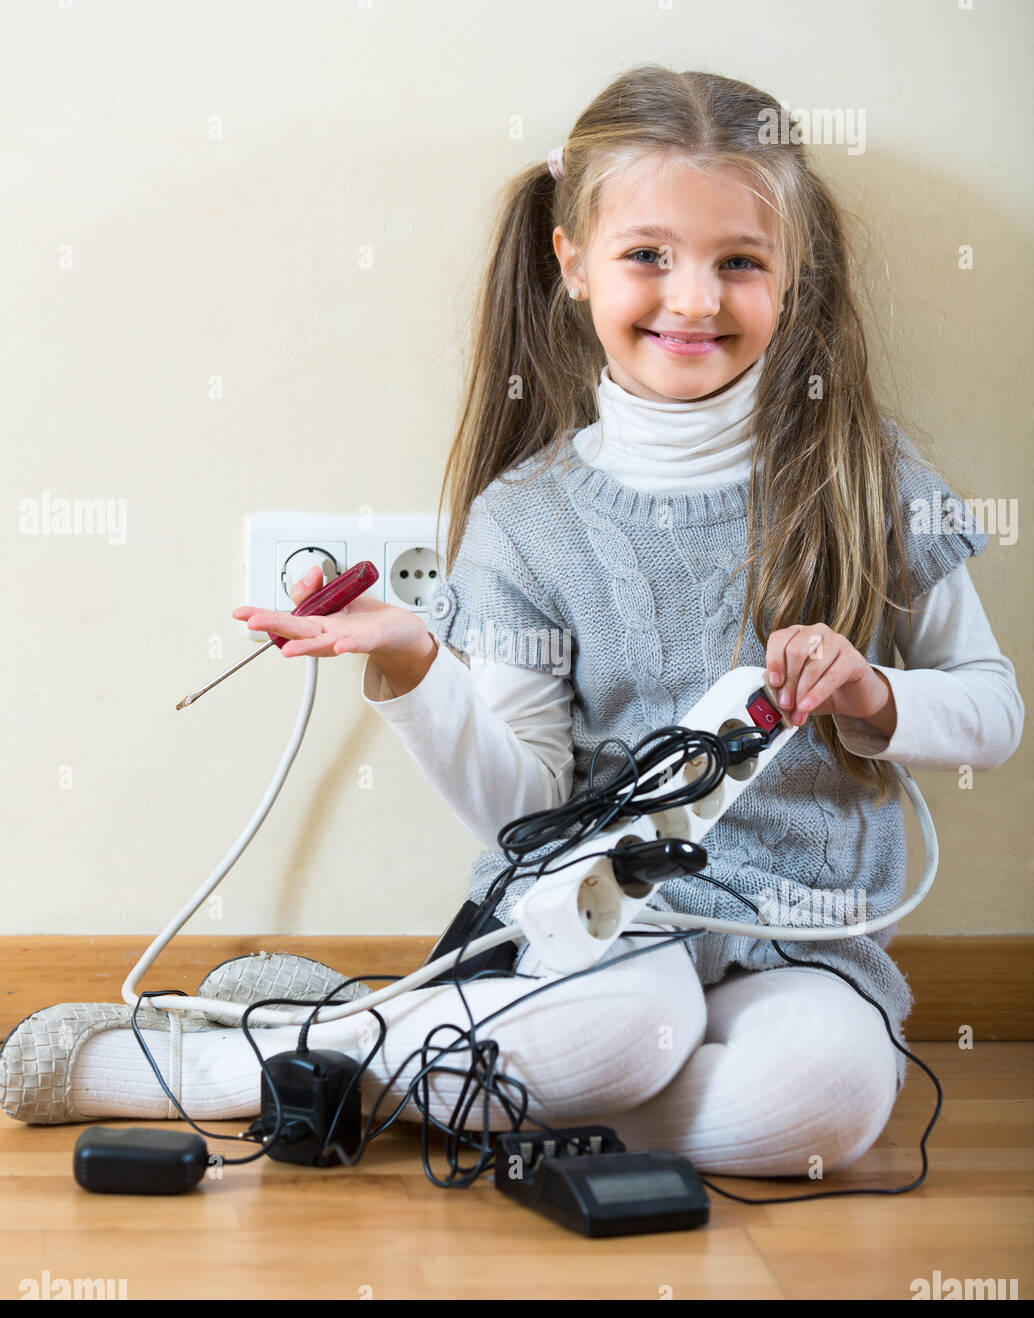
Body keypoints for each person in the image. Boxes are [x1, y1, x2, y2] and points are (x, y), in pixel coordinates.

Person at [2, 65, 1022, 1177]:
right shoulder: (528, 521)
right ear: (571, 261)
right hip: (608, 920)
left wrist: (874, 695)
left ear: (793, 275)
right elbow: (526, 804)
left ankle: (346, 1039)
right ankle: (202, 1070)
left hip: (804, 940)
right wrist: (412, 670)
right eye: (647, 255)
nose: (693, 299)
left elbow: (992, 710)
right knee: (621, 1034)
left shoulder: (866, 476)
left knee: (818, 1109)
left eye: (738, 261)